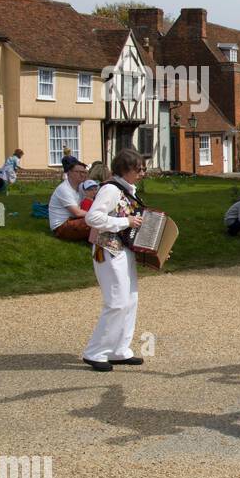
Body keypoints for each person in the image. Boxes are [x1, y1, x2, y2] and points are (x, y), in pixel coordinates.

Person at [81, 148, 148, 372]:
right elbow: (93, 218)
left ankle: (119, 350)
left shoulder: (128, 190)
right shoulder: (110, 189)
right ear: (125, 169)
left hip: (124, 250)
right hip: (107, 250)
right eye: (139, 169)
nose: (142, 173)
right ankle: (95, 352)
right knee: (116, 302)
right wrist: (125, 222)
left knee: (130, 300)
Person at [49, 158, 91, 242]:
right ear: (69, 173)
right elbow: (77, 213)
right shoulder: (64, 189)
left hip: (73, 220)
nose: (82, 175)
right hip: (61, 227)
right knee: (96, 222)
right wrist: (97, 215)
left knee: (98, 222)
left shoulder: (80, 186)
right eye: (78, 172)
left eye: (84, 172)